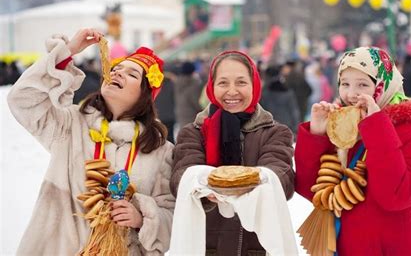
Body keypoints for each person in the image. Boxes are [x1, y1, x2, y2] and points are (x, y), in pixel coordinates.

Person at [7, 29, 175, 255]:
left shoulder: (161, 150)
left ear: (146, 95)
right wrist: (68, 52)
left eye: (132, 74)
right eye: (115, 69)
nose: (116, 74)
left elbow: (173, 216)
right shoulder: (70, 125)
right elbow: (23, 100)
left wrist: (141, 217)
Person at [294, 47, 411, 255]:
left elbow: (397, 196)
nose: (352, 94)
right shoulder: (343, 125)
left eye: (363, 84)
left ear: (383, 85)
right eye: (345, 84)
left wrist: (376, 126)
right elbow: (311, 189)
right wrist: (317, 133)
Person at [170, 50, 295, 255]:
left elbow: (283, 178)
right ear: (211, 86)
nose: (232, 91)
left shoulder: (275, 133)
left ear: (254, 85)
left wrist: (250, 183)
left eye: (241, 82)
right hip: (209, 248)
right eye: (223, 83)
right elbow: (180, 177)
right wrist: (202, 188)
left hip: (257, 248)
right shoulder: (193, 133)